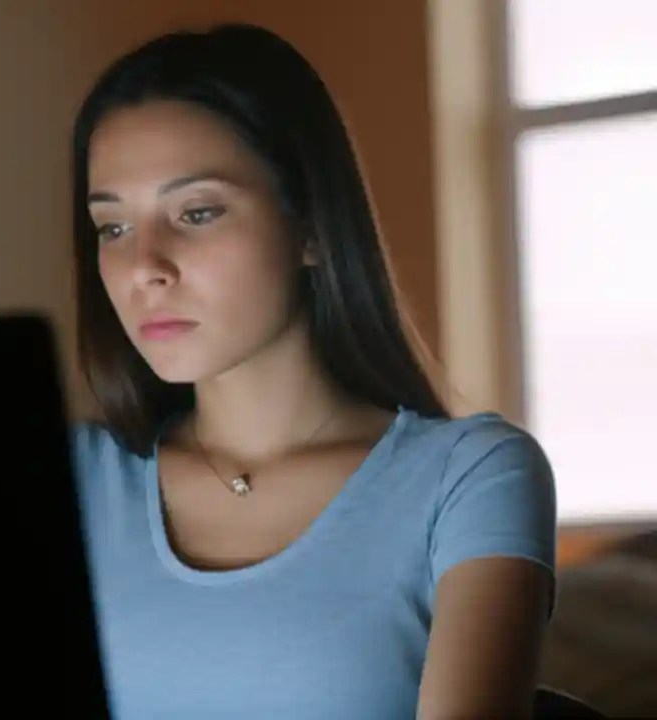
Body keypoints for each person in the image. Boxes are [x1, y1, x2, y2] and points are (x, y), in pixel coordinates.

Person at [69, 23, 557, 719]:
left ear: (312, 228)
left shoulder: (470, 478)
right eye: (112, 227)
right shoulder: (72, 478)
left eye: (196, 212)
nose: (144, 266)